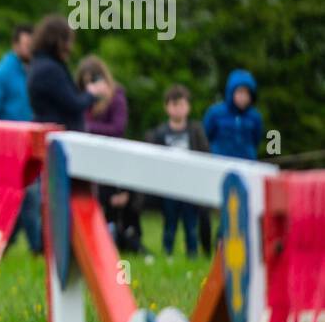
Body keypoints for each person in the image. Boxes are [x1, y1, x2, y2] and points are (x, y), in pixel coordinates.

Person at [0, 24, 41, 254]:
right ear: (15, 44)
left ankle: (35, 249)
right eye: (27, 44)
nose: (31, 48)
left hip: (31, 148)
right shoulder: (1, 74)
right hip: (6, 148)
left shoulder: (35, 72)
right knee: (8, 202)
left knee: (31, 200)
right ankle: (2, 247)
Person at [75, 55, 143, 252]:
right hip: (89, 160)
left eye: (93, 80)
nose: (90, 86)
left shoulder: (116, 96)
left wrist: (88, 127)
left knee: (116, 208)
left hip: (112, 159)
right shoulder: (84, 101)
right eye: (85, 82)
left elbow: (118, 128)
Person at [145, 84, 210, 257]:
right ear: (167, 107)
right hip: (169, 186)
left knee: (191, 225)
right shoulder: (160, 132)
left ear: (188, 106)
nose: (178, 109)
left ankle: (193, 255)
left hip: (190, 186)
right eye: (174, 105)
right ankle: (167, 255)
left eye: (181, 104)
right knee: (170, 224)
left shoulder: (195, 130)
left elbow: (205, 154)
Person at [26, 15, 110, 130]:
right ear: (59, 41)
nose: (70, 47)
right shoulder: (50, 69)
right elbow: (73, 104)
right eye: (68, 41)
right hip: (59, 138)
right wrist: (92, 93)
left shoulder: (38, 64)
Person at [203, 69, 263, 160]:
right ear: (231, 92)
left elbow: (256, 140)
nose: (243, 97)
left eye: (247, 93)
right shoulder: (215, 113)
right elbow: (205, 138)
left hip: (246, 165)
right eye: (240, 92)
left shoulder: (255, 117)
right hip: (219, 164)